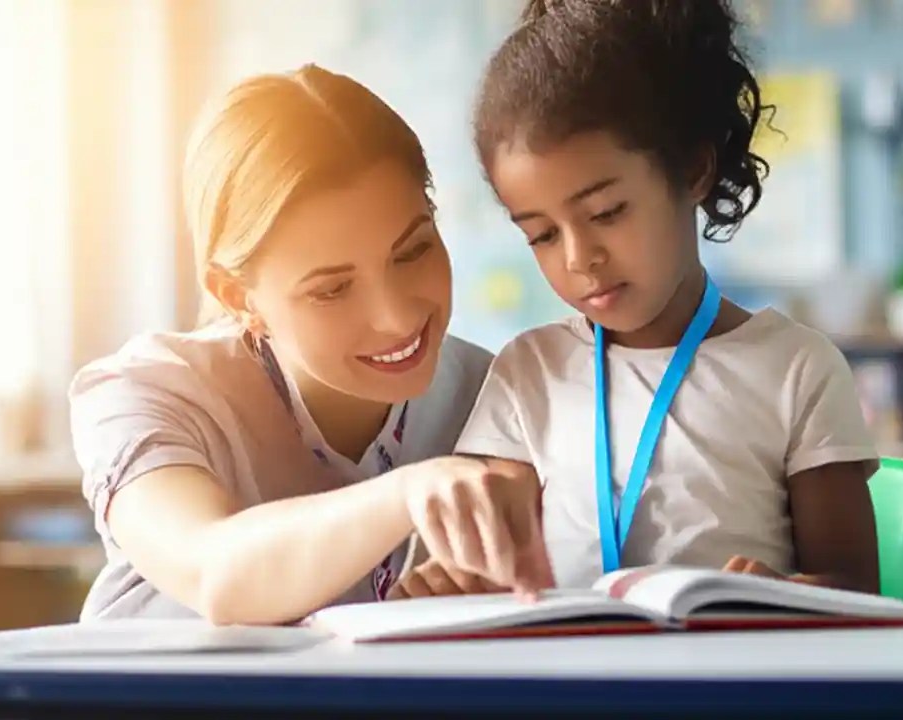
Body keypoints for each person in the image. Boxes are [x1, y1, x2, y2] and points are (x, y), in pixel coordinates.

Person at [402, 0, 880, 596]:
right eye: (542, 234)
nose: (579, 259)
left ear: (693, 171)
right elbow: (488, 563)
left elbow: (858, 592)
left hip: (738, 680)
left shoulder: (796, 369)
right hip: (571, 684)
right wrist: (454, 586)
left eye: (606, 212)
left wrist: (783, 597)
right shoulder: (529, 373)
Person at [71, 65, 553, 625]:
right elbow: (215, 575)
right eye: (332, 289)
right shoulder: (147, 392)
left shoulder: (493, 393)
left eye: (413, 250)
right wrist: (410, 494)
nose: (397, 317)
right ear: (237, 295)